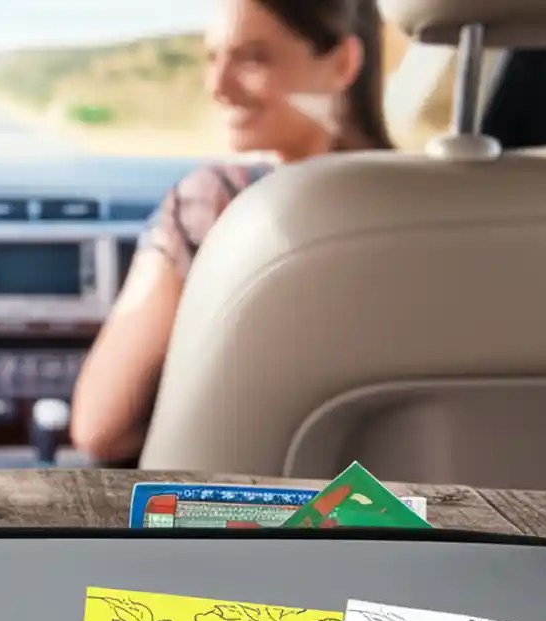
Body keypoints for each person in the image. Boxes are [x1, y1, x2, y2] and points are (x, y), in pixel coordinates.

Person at [71, 0, 392, 464]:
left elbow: (100, 429)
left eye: (253, 58)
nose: (216, 86)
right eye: (211, 57)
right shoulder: (451, 210)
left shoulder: (214, 201)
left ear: (343, 62)